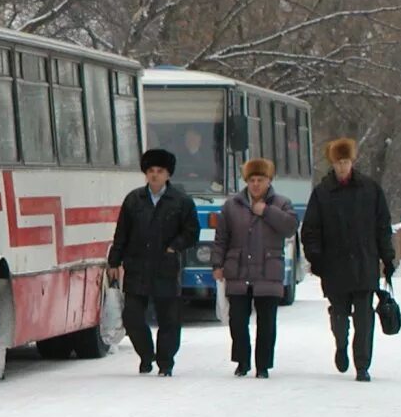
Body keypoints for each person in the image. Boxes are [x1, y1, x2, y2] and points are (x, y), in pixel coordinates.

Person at [300, 137, 395, 382]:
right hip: (335, 265)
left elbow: (382, 225)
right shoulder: (322, 193)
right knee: (339, 315)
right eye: (338, 162)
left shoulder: (370, 189)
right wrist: (316, 257)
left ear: (352, 161)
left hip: (365, 262)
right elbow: (310, 229)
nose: (342, 166)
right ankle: (341, 344)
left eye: (346, 161)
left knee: (365, 317)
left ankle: (362, 365)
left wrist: (388, 257)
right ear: (332, 164)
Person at [106, 148, 200, 376]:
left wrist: (173, 247)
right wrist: (113, 261)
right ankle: (146, 355)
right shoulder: (134, 199)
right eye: (150, 171)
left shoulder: (181, 201)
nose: (155, 175)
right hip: (137, 265)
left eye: (160, 171)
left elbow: (192, 232)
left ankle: (165, 361)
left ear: (168, 174)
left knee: (169, 319)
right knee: (133, 316)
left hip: (166, 267)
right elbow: (122, 233)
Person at [212, 158, 298, 378]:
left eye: (261, 179)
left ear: (269, 181)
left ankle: (263, 365)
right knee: (238, 321)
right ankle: (242, 361)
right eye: (252, 180)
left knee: (267, 322)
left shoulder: (281, 203)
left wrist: (266, 212)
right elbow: (221, 237)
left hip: (268, 271)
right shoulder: (232, 205)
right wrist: (217, 263)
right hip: (238, 270)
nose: (256, 184)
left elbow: (290, 227)